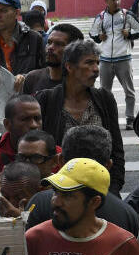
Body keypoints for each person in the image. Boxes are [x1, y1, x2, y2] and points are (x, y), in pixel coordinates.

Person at [37, 39, 125, 193]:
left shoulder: (104, 99)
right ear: (69, 67)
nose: (96, 69)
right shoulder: (47, 100)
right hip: (60, 189)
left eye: (97, 63)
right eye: (89, 63)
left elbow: (116, 149)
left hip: (100, 188)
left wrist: (114, 188)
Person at [24, 125, 139, 233]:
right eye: (57, 193)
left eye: (69, 196)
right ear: (108, 165)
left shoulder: (38, 204)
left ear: (60, 161)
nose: (56, 202)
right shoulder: (127, 215)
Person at [88, 0, 139, 129]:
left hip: (123, 59)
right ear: (106, 1)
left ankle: (130, 119)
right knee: (104, 92)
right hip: (106, 60)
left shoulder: (127, 15)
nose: (116, 2)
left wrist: (130, 34)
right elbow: (92, 33)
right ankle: (105, 118)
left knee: (129, 91)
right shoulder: (101, 17)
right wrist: (99, 37)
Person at [21, 23, 83, 97]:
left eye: (59, 44)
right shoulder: (32, 78)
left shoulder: (81, 82)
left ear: (75, 50)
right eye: (49, 42)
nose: (50, 47)